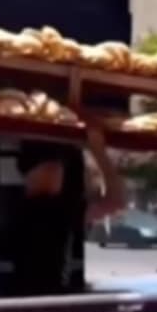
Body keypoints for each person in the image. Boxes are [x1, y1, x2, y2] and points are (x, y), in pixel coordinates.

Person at [11, 126, 126, 297]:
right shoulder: (41, 210)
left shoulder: (58, 208)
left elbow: (115, 202)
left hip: (54, 300)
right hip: (44, 301)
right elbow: (114, 201)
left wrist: (98, 152)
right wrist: (98, 152)